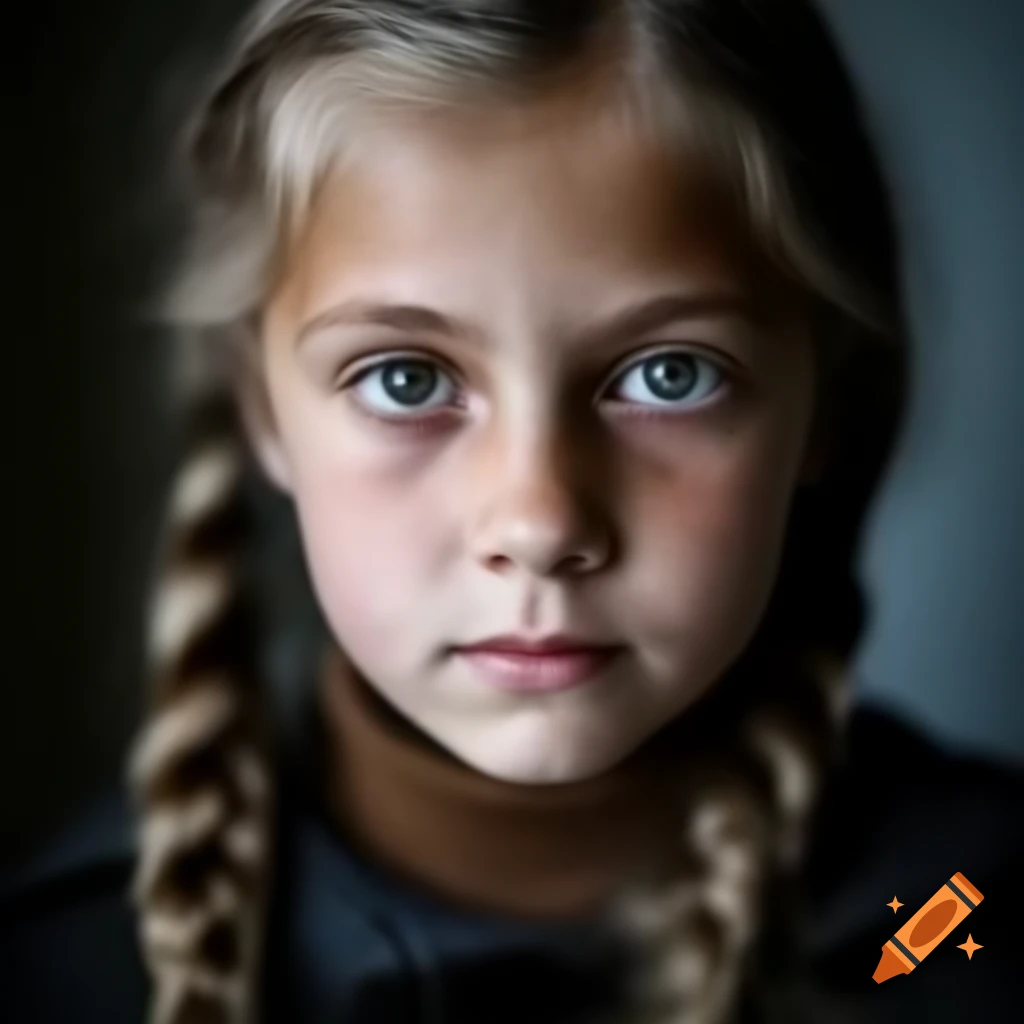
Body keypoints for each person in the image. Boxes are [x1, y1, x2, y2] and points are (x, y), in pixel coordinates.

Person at [2, 1, 1021, 1022]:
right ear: (262, 406)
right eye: (404, 379)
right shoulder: (61, 973)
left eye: (669, 374)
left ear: (821, 403)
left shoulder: (956, 912)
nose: (537, 522)